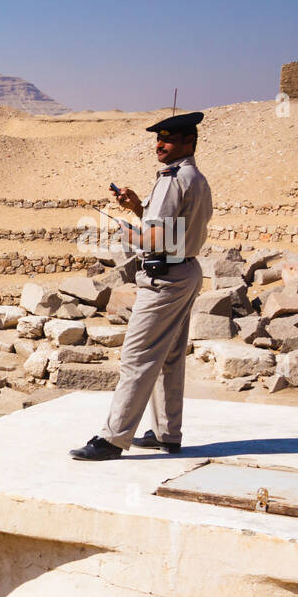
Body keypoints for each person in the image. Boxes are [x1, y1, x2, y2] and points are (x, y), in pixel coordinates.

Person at [71, 111, 212, 461]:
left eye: (167, 139)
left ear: (187, 143)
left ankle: (113, 438)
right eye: (158, 138)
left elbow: (161, 237)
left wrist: (128, 231)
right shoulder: (193, 177)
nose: (159, 145)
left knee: (137, 356)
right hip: (184, 272)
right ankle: (167, 433)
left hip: (165, 278)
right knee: (170, 356)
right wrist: (137, 209)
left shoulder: (173, 178)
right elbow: (175, 229)